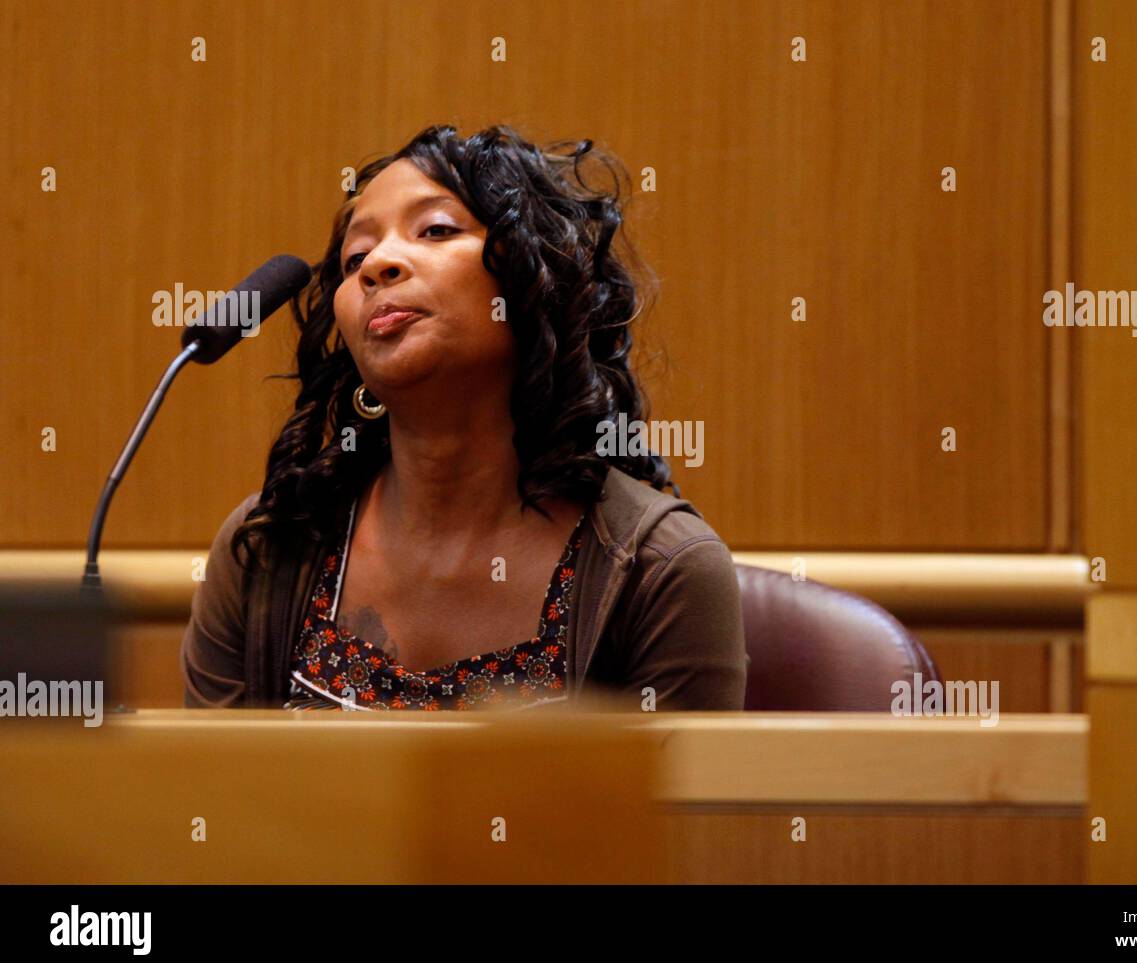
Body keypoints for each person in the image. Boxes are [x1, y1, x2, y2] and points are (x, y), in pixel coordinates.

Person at [180, 123, 748, 713]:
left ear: (537, 280)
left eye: (436, 229)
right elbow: (213, 798)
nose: (379, 264)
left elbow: (672, 806)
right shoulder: (272, 545)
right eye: (356, 257)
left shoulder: (661, 571)